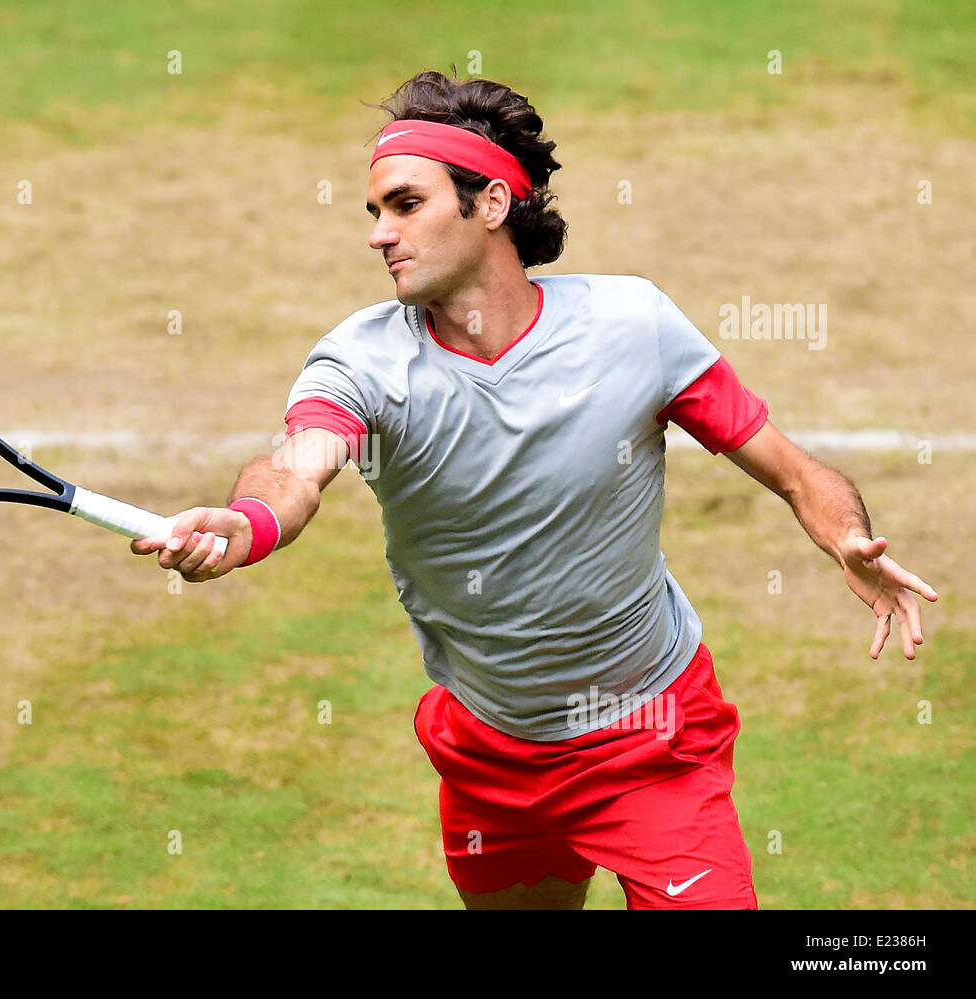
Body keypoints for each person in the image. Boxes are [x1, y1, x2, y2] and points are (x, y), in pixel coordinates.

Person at [130, 70, 939, 909]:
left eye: (405, 204)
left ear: (490, 204)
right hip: (491, 748)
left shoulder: (634, 327)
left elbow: (794, 468)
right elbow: (296, 470)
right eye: (374, 212)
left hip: (649, 737)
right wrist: (248, 521)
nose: (380, 233)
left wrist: (846, 535)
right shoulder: (362, 362)